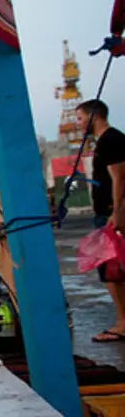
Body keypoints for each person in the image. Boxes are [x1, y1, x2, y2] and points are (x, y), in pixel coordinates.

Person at [75, 99, 125, 343]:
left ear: (94, 115)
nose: (79, 124)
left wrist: (116, 212)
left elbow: (120, 178)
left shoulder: (111, 141)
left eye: (80, 118)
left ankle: (122, 324)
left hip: (111, 214)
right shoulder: (107, 141)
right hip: (108, 213)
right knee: (113, 269)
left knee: (113, 270)